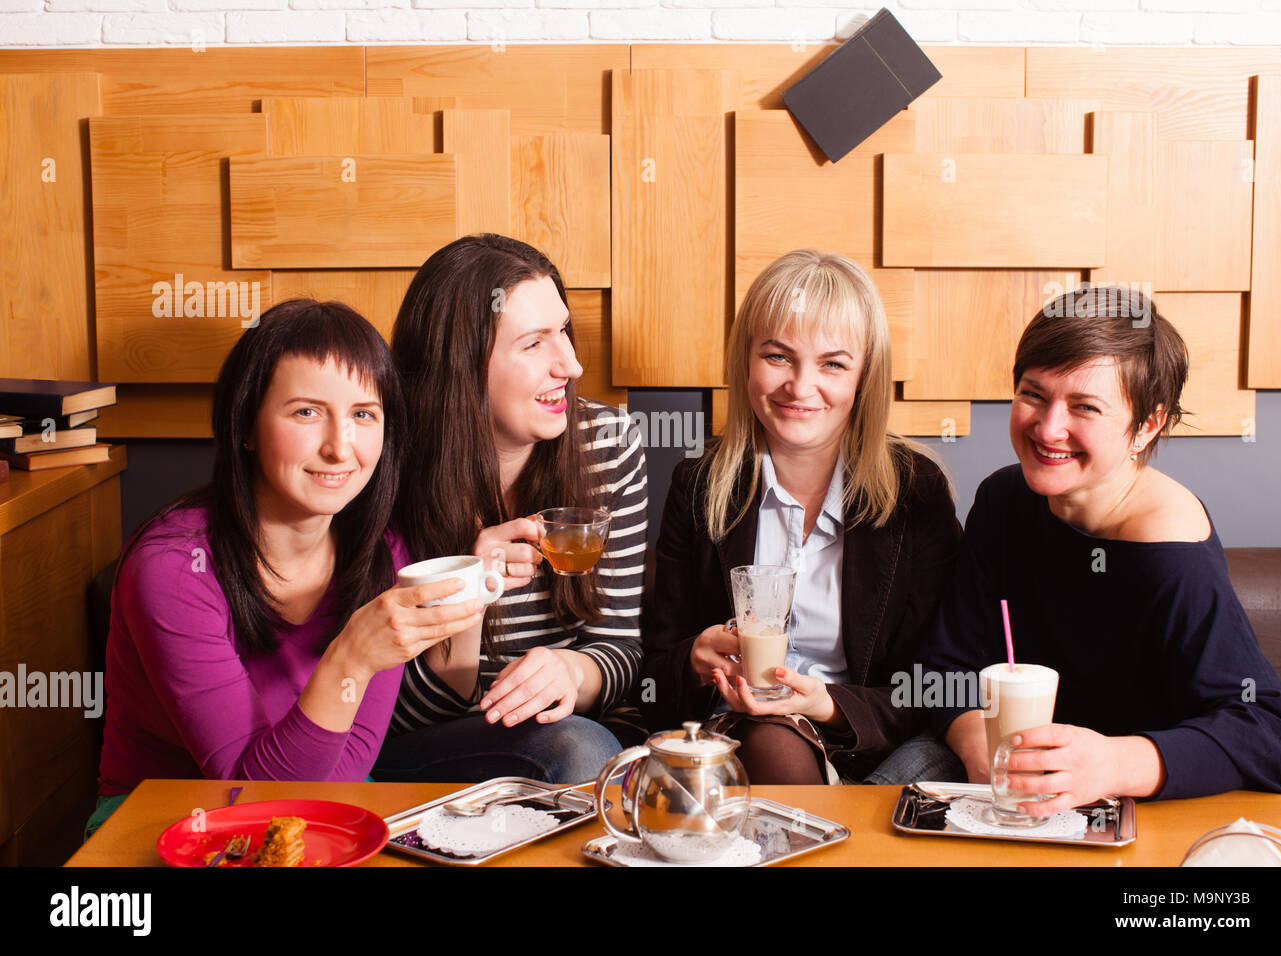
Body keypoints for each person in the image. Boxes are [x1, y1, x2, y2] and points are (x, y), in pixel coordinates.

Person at [91, 300, 483, 837]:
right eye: (306, 412)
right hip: (161, 822)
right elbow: (254, 796)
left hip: (319, 811)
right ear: (247, 425)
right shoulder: (174, 568)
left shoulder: (384, 554)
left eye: (363, 414)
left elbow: (346, 774)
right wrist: (351, 659)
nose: (339, 447)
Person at [921, 286, 1281, 813]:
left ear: (1146, 425)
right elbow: (946, 663)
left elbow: (1267, 734)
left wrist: (1113, 763)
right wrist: (975, 743)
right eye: (1033, 394)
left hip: (1136, 809)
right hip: (1006, 789)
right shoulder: (1004, 498)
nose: (1048, 427)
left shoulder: (1171, 550)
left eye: (1085, 407)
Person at [640, 250, 963, 784]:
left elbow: (932, 686)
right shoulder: (698, 485)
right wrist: (694, 659)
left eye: (833, 363)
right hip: (744, 738)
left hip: (881, 746)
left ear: (865, 376)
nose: (799, 386)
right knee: (770, 737)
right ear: (745, 359)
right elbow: (652, 678)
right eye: (777, 357)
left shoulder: (915, 491)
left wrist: (827, 706)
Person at [373, 234, 648, 785]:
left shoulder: (608, 443)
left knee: (587, 745)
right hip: (422, 745)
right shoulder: (380, 463)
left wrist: (574, 670)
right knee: (578, 747)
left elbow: (621, 649)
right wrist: (468, 591)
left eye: (564, 332)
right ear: (462, 365)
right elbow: (372, 712)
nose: (570, 364)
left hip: (572, 740)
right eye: (534, 343)